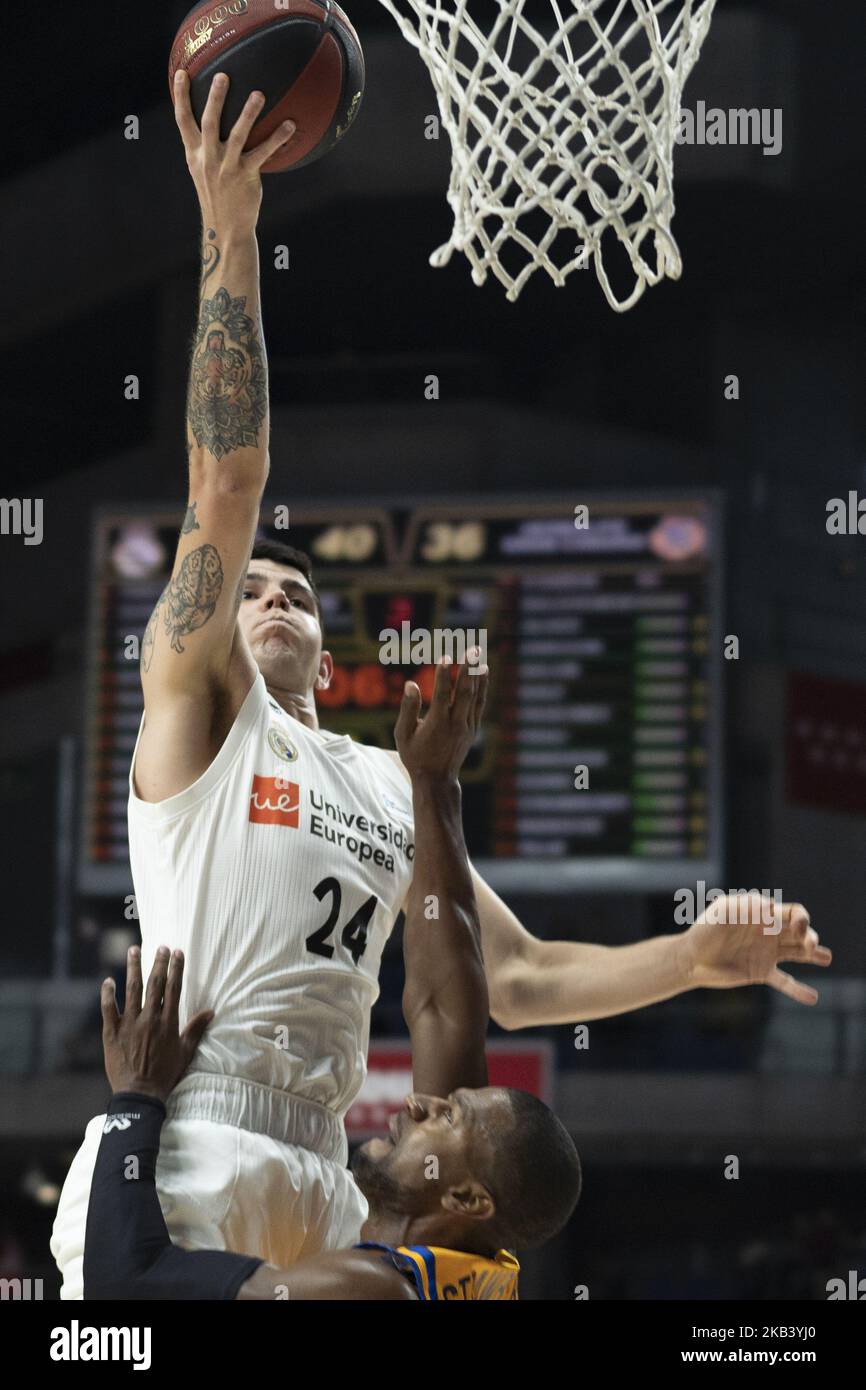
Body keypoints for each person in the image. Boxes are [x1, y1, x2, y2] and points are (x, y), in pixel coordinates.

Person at [52, 70, 830, 1297]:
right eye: (251, 586)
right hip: (192, 1124)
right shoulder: (201, 713)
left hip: (331, 1162)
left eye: (297, 594)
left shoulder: (377, 778)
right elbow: (226, 480)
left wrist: (689, 959)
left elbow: (514, 976)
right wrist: (231, 230)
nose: (272, 597)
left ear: (327, 644)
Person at [84, 662, 580, 1299]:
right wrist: (432, 786)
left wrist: (135, 1100)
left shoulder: (372, 1290)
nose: (421, 1101)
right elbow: (444, 1003)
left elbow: (124, 1293)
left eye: (448, 1114)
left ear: (464, 1196)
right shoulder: (477, 1277)